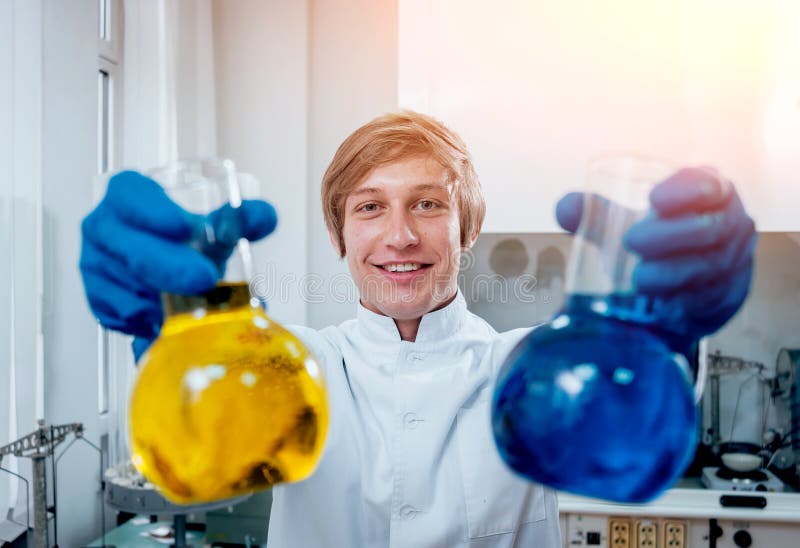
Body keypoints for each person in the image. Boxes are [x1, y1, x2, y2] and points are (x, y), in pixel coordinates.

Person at [80, 111, 756, 547]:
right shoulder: (296, 369)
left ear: (468, 229)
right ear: (339, 236)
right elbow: (203, 435)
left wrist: (666, 339)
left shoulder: (528, 369)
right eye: (370, 207)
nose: (400, 235)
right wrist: (168, 333)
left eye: (428, 204)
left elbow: (628, 420)